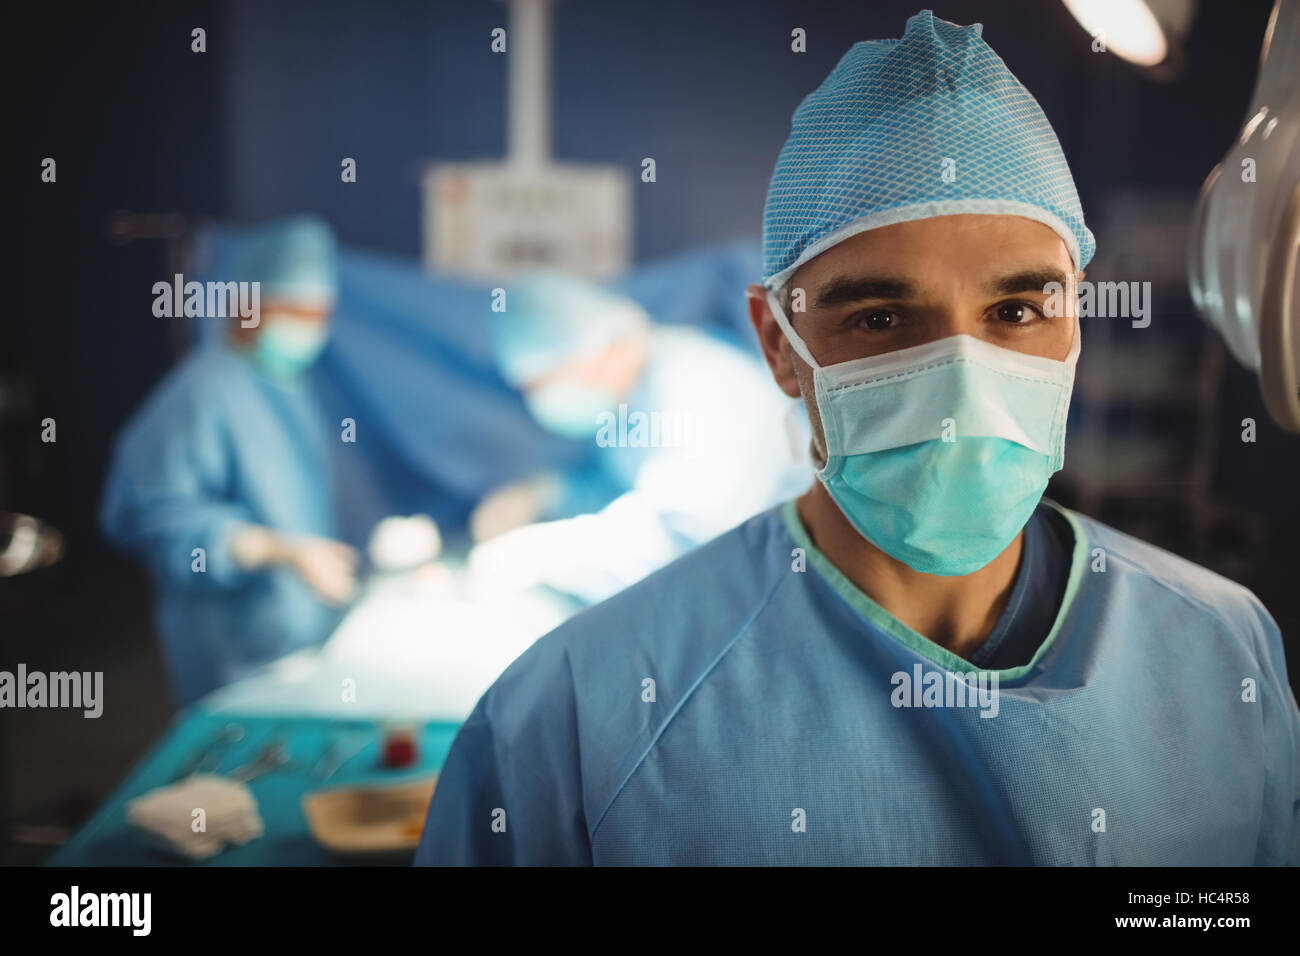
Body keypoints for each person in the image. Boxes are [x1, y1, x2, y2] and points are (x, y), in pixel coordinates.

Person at [416, 11, 1300, 865]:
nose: (961, 383)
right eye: (881, 317)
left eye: (1017, 310)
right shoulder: (572, 721)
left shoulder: (1223, 651)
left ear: (1076, 318)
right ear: (778, 344)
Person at [101, 216, 358, 706]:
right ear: (247, 305)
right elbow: (153, 519)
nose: (312, 329)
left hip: (296, 641)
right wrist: (265, 547)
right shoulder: (201, 394)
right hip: (231, 650)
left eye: (320, 315)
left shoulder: (287, 386)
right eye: (296, 312)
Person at [466, 271, 806, 605]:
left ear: (602, 348)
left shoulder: (699, 384)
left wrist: (540, 556)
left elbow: (687, 539)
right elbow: (620, 491)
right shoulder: (629, 401)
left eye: (546, 383)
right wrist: (546, 496)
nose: (541, 400)